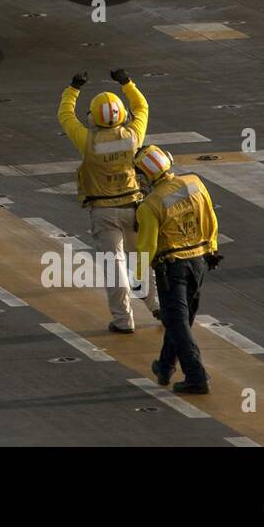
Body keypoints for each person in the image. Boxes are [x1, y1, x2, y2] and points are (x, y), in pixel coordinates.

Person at [57, 68, 159, 333]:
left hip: (103, 211)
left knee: (114, 267)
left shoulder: (87, 140)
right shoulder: (133, 135)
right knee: (140, 260)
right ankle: (156, 305)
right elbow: (142, 106)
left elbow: (65, 116)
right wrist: (127, 83)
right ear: (121, 115)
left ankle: (123, 320)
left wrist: (74, 88)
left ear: (93, 118)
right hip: (133, 208)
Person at [133, 145, 222, 394]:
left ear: (146, 175)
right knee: (180, 321)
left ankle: (196, 375)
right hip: (200, 261)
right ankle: (164, 366)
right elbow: (211, 219)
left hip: (173, 269)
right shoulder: (194, 182)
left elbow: (146, 246)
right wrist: (212, 248)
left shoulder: (149, 205)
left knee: (178, 322)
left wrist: (139, 276)